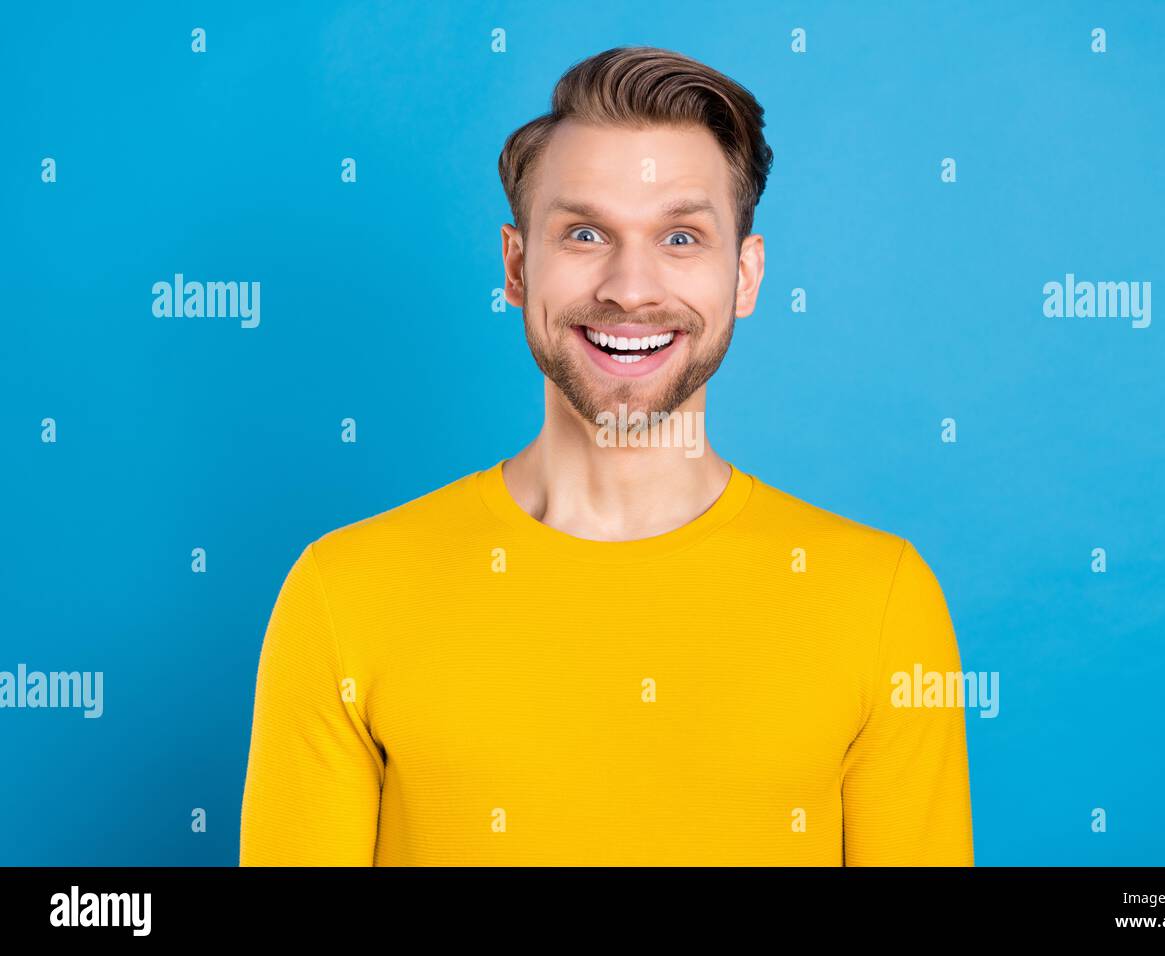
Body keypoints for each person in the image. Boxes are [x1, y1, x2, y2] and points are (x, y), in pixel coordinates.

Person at [239, 45, 974, 866]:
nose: (630, 288)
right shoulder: (342, 595)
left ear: (746, 275)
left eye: (681, 237)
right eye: (585, 232)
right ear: (518, 265)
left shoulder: (881, 602)